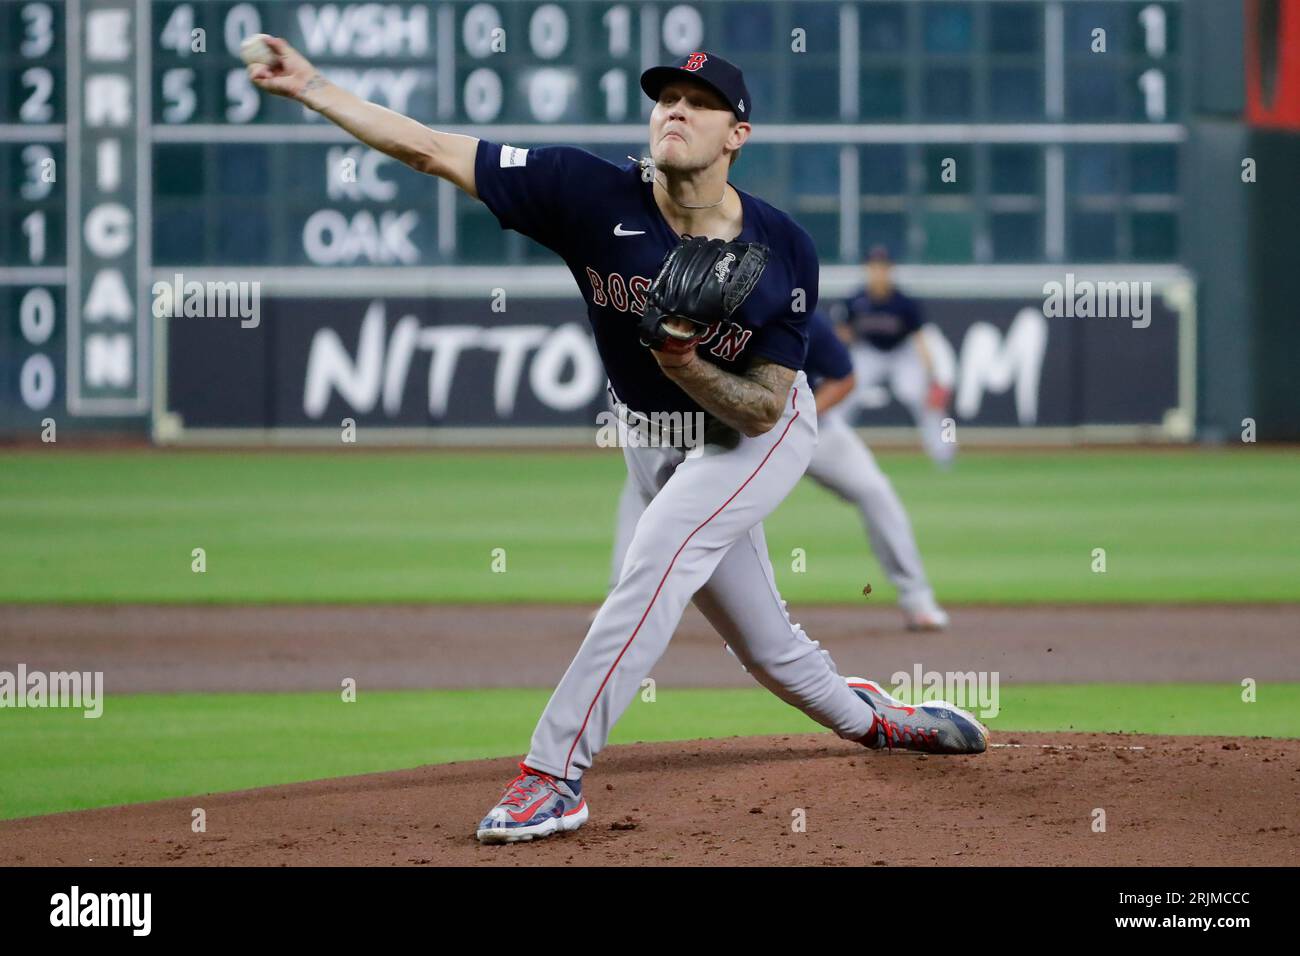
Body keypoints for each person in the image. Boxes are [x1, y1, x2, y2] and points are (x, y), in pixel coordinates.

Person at [248, 43, 987, 846]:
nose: (674, 109)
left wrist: (681, 358)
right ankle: (875, 719)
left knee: (654, 561)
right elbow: (430, 148)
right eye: (665, 96)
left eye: (698, 102)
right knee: (769, 648)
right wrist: (314, 87)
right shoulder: (584, 189)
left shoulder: (782, 249)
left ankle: (552, 774)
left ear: (738, 133)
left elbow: (765, 410)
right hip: (650, 435)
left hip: (753, 437)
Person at [609, 310, 948, 630]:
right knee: (642, 490)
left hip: (807, 427)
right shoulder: (696, 313)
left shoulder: (788, 309)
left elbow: (844, 377)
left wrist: (799, 418)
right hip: (725, 432)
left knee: (874, 491)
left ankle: (917, 598)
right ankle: (622, 604)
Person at [836, 245, 956, 468]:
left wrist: (931, 375)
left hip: (902, 353)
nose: (878, 272)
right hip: (869, 352)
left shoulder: (904, 302)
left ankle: (944, 452)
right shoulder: (855, 299)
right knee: (844, 395)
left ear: (890, 270)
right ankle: (833, 449)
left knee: (918, 396)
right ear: (867, 269)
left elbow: (920, 340)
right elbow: (843, 335)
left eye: (883, 267)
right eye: (874, 267)